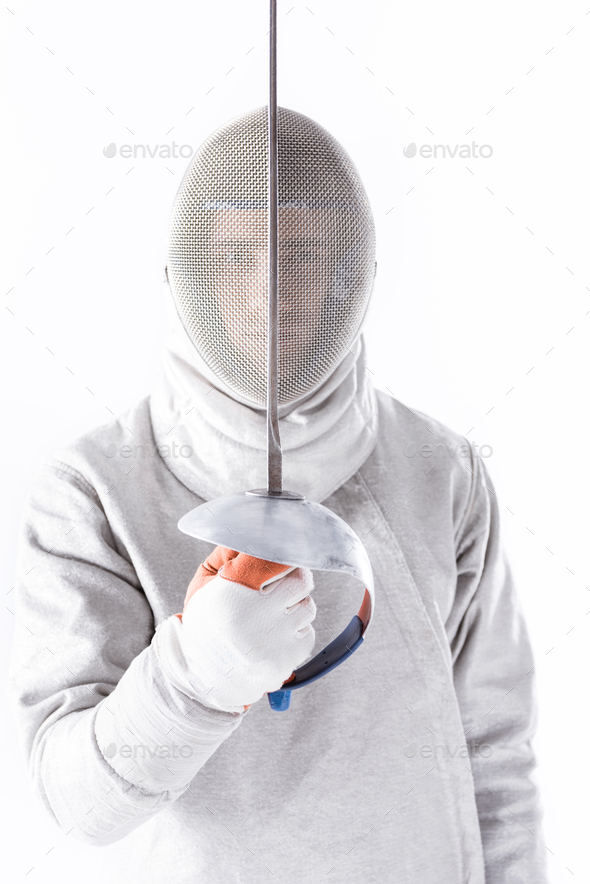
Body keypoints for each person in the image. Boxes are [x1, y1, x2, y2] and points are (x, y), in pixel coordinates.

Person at [8, 106, 547, 883]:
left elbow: (496, 752)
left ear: (346, 274)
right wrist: (196, 674)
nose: (270, 293)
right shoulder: (91, 489)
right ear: (191, 274)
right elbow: (75, 803)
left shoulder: (442, 469)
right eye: (236, 256)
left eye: (301, 254)